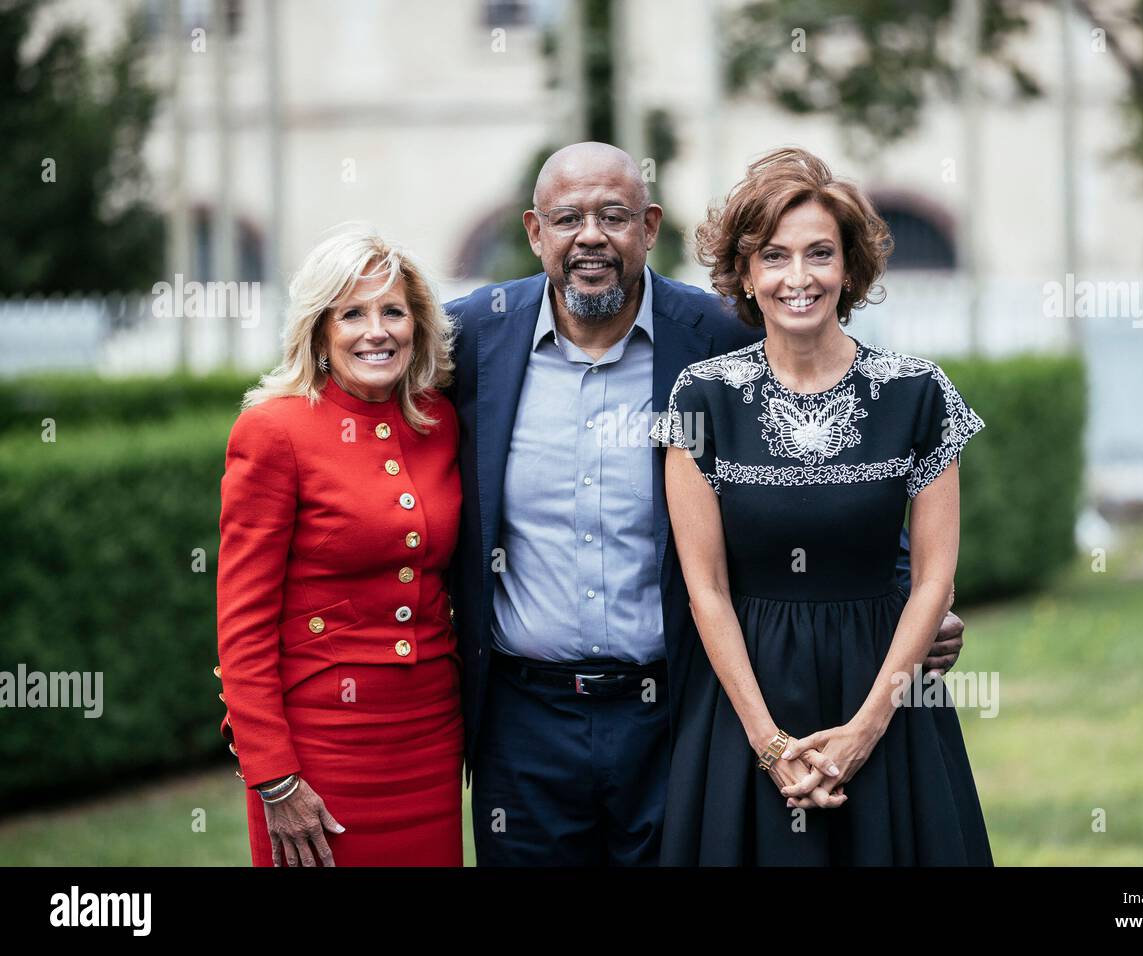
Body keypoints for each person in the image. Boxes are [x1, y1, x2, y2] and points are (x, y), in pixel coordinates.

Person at [443, 142, 969, 866]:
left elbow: (830, 472)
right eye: (568, 218)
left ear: (649, 225)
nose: (591, 235)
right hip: (523, 720)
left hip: (677, 707)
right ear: (536, 232)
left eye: (614, 215)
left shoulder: (716, 341)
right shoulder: (471, 336)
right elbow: (356, 376)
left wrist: (909, 598)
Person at [653, 147, 994, 865]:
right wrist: (771, 743)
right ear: (746, 273)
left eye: (819, 254)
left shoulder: (918, 393)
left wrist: (866, 729)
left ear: (850, 269)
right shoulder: (700, 396)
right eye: (774, 256)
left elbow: (935, 581)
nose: (798, 278)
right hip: (745, 707)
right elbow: (705, 587)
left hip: (887, 698)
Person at [215, 229, 463, 866]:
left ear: (418, 325)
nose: (375, 331)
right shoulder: (273, 430)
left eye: (393, 312)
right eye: (352, 313)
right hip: (319, 744)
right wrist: (272, 775)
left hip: (429, 734)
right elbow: (241, 622)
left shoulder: (438, 421)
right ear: (320, 331)